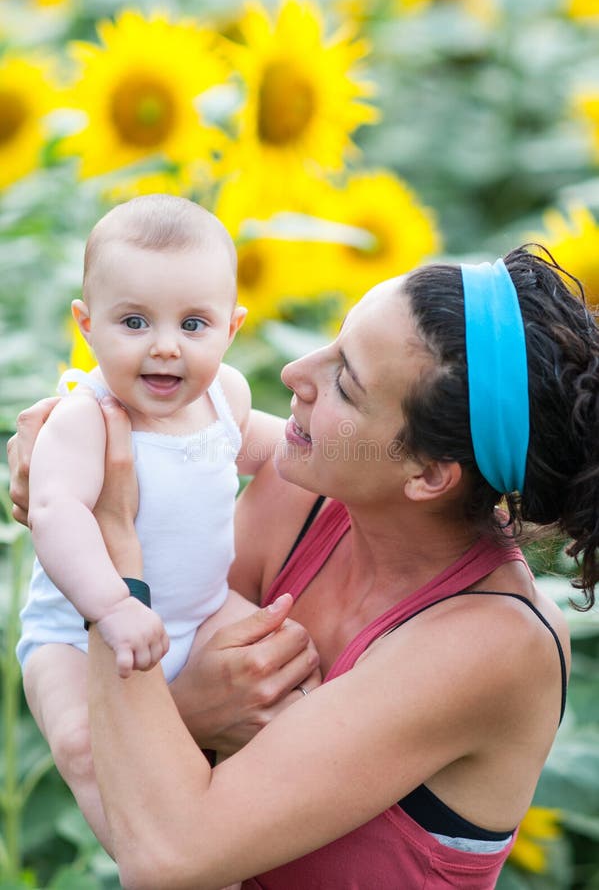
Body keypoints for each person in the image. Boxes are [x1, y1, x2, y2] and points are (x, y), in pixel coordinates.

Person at [11, 245, 598, 888]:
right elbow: (155, 724)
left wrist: (111, 543)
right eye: (332, 341)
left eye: (345, 382)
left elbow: (164, 852)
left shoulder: (496, 643)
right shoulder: (305, 492)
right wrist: (73, 461)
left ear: (429, 475)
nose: (296, 372)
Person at [14, 194, 319, 859]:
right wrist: (111, 605)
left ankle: (247, 841)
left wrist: (350, 459)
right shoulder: (86, 418)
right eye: (133, 321)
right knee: (83, 747)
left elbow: (272, 450)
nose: (164, 347)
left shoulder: (223, 396)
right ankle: (163, 856)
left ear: (231, 328)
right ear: (86, 325)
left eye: (193, 324)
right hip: (79, 634)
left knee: (294, 674)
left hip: (203, 612)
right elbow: (55, 511)